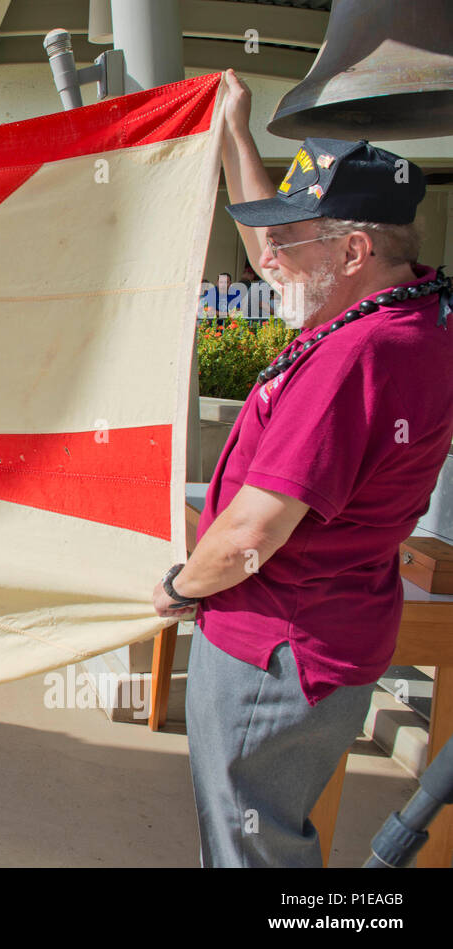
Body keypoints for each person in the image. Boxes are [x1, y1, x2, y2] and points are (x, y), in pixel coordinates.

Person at [153, 70, 453, 866]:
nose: (270, 256)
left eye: (293, 235)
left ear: (354, 250)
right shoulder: (396, 310)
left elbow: (256, 525)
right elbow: (272, 255)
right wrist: (232, 133)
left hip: (275, 644)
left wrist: (180, 588)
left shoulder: (356, 357)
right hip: (320, 632)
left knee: (253, 845)